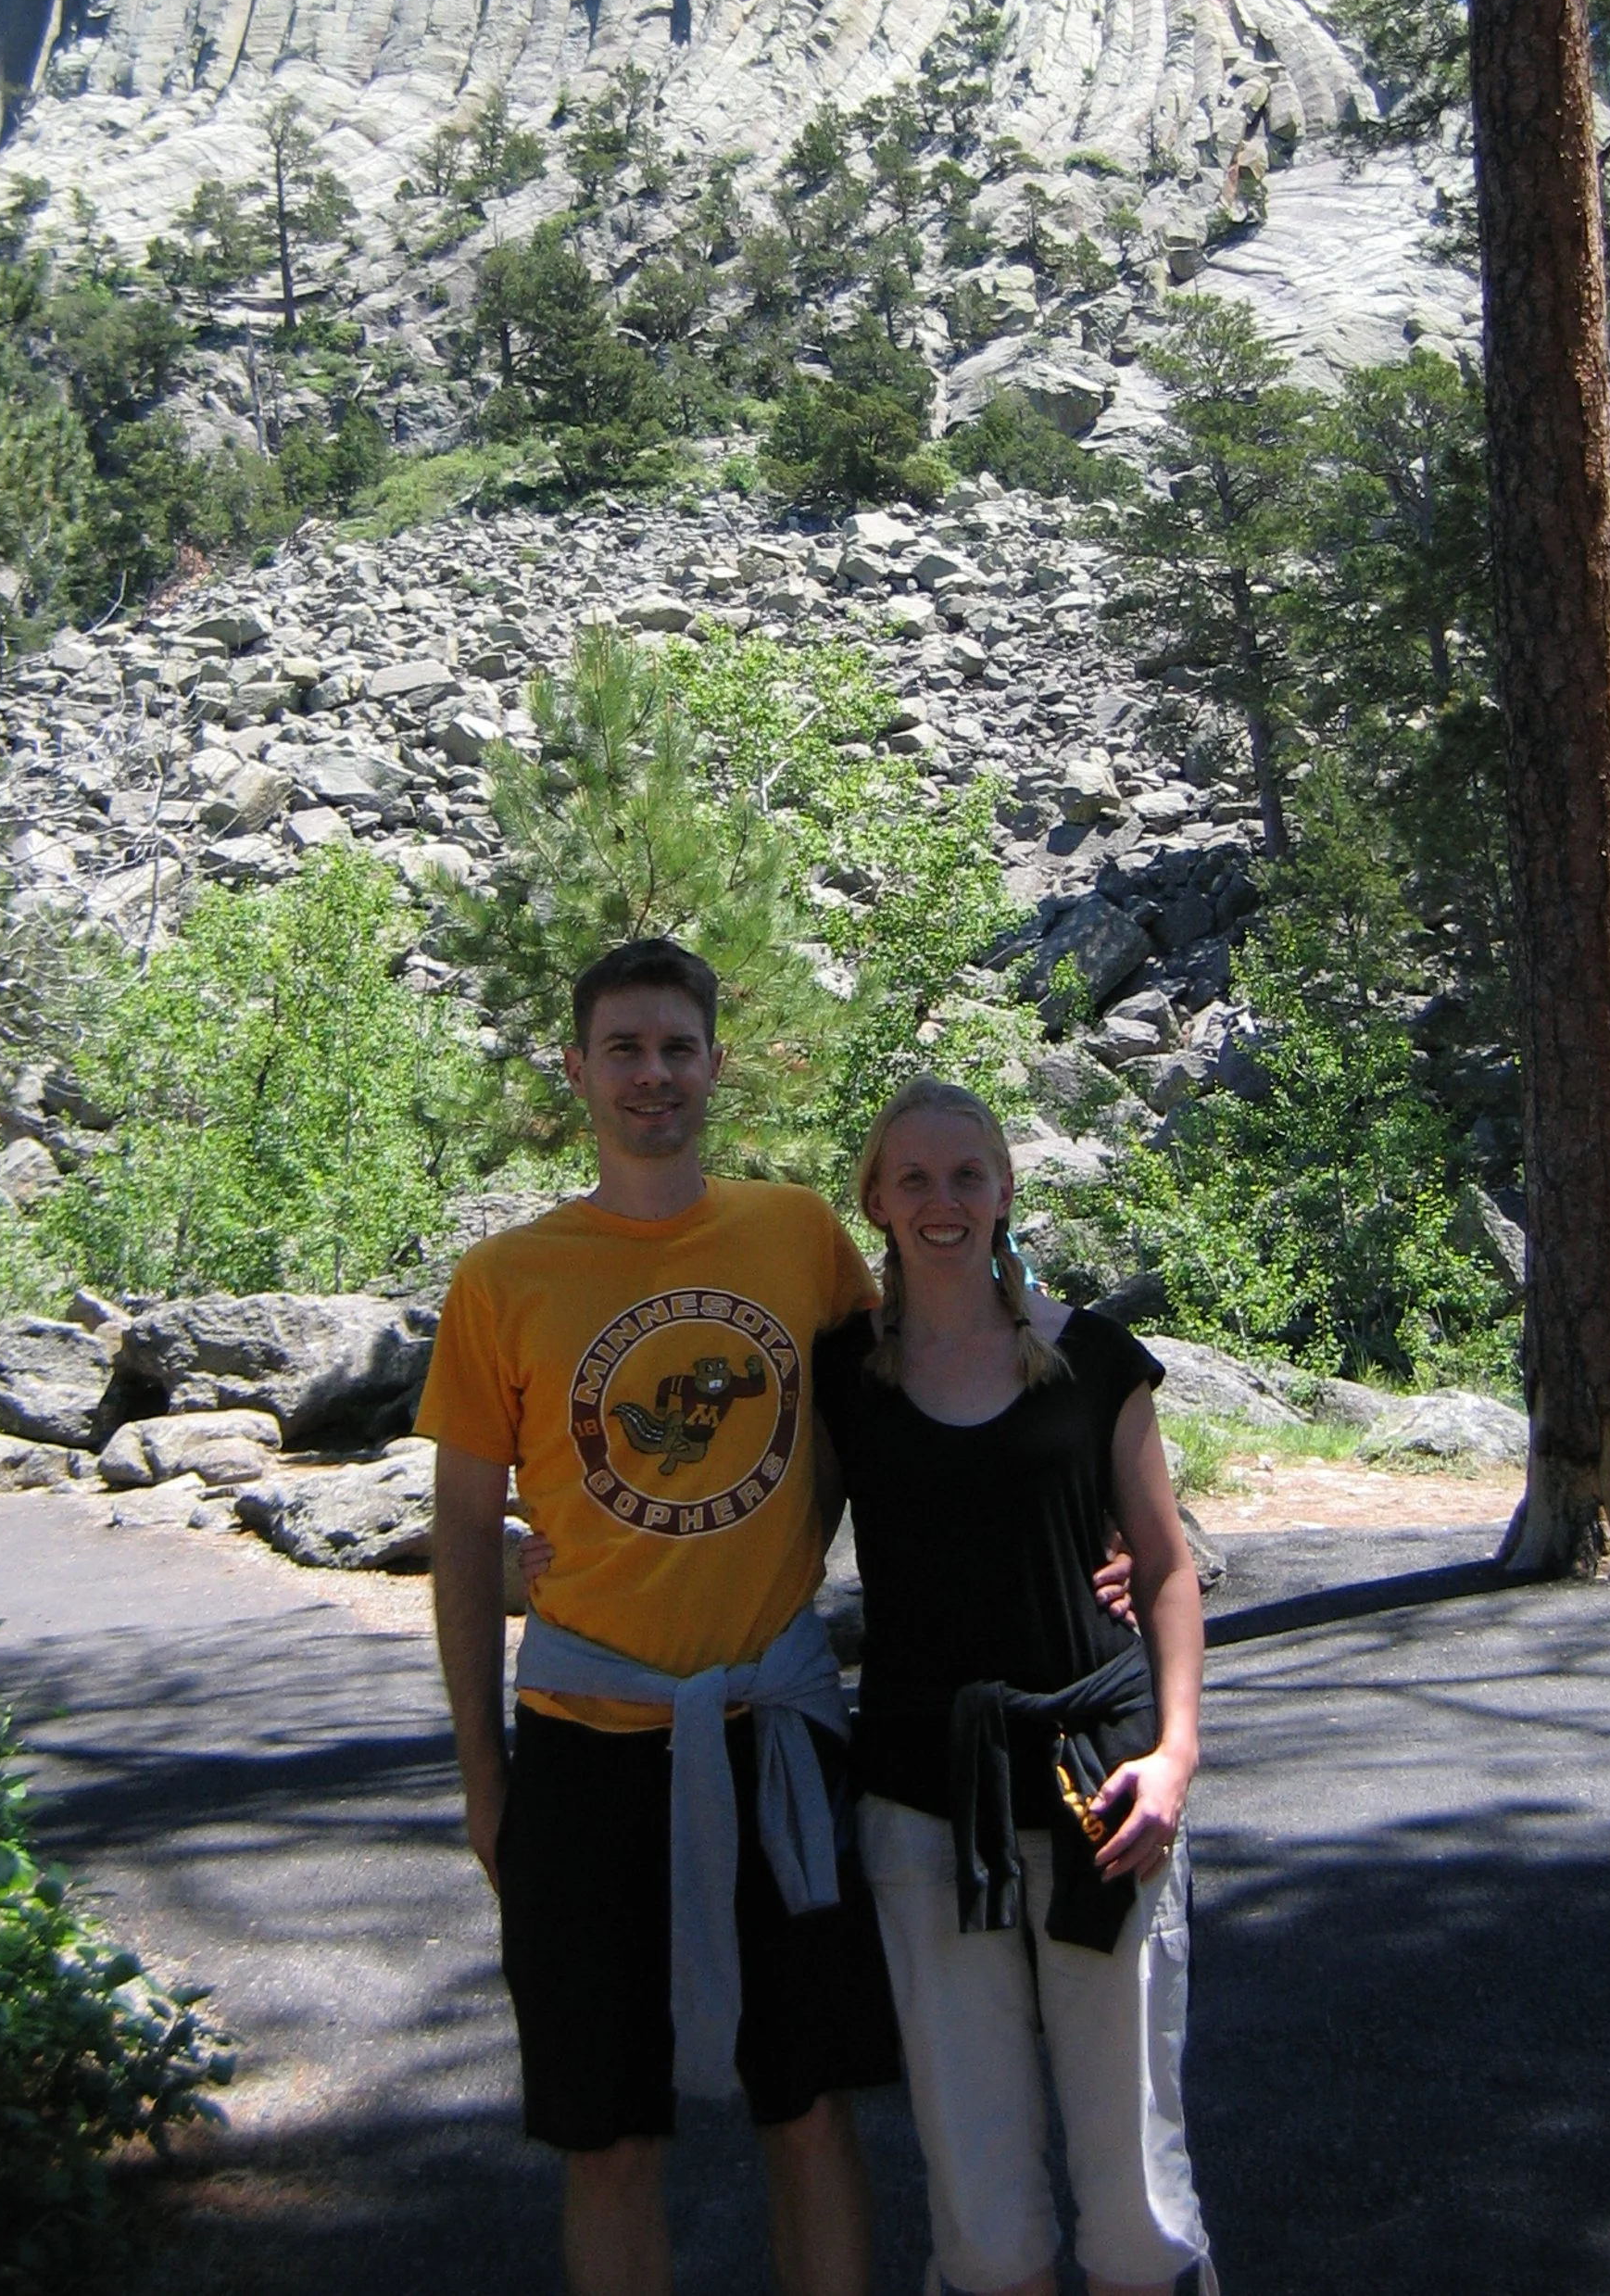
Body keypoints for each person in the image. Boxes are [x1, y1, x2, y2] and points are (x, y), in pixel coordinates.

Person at [420, 938, 899, 2296]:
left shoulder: (797, 1235)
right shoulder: (504, 1277)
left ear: (714, 1063)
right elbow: (463, 1536)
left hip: (777, 1737)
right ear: (575, 1070)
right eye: (623, 1049)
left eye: (676, 1047)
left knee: (807, 2105)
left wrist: (1089, 1520)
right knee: (607, 2131)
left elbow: (911, 1418)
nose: (652, 1075)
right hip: (583, 1744)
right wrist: (482, 1773)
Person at [814, 1076, 1215, 2296]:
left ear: (1005, 1192)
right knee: (984, 2223)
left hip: (1104, 1788)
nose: (945, 1201)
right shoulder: (844, 1375)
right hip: (921, 1804)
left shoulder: (1092, 1360)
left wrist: (1177, 1753)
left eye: (968, 1175)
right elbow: (769, 1557)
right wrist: (569, 1563)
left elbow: (1164, 1565)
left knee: (1138, 2209)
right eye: (916, 1178)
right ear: (876, 1200)